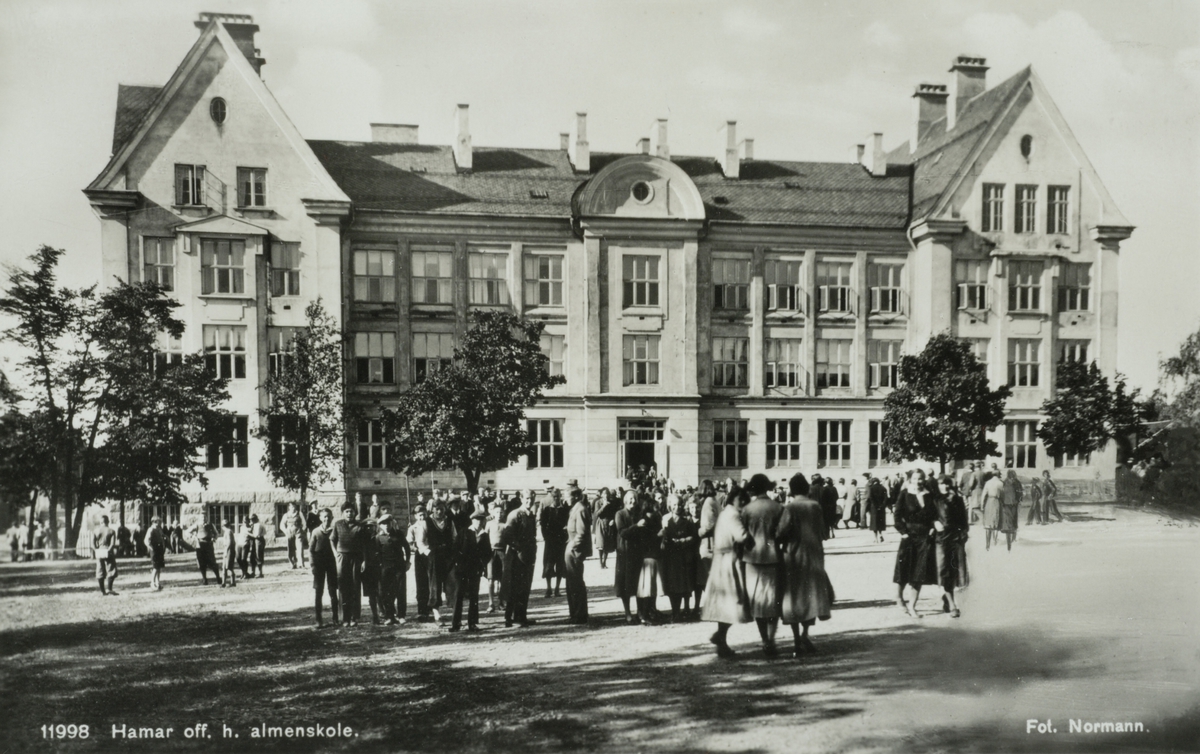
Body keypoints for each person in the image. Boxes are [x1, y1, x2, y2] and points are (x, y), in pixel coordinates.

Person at [776, 473, 835, 655]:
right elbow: (822, 530)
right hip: (814, 555)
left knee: (793, 597)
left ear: (792, 489)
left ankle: (796, 641)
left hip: (794, 557)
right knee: (811, 595)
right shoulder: (815, 506)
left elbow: (781, 532)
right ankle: (805, 634)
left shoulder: (790, 507)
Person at [702, 486, 753, 658]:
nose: (743, 502)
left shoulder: (725, 513)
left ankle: (721, 641)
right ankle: (720, 638)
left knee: (725, 604)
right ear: (732, 499)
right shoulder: (733, 515)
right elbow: (742, 536)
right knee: (733, 602)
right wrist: (752, 541)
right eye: (740, 499)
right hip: (728, 561)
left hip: (721, 559)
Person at [741, 473, 783, 657]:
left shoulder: (747, 509)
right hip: (772, 557)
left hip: (752, 559)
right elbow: (782, 533)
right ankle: (771, 639)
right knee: (772, 600)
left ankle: (764, 640)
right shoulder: (777, 507)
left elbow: (742, 534)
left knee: (757, 601)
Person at [893, 472, 937, 618]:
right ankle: (899, 598)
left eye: (920, 479)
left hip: (925, 537)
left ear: (924, 480)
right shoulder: (905, 494)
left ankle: (912, 606)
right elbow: (897, 516)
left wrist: (932, 527)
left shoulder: (928, 494)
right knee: (904, 570)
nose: (918, 481)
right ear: (910, 480)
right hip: (909, 536)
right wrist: (903, 531)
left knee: (920, 572)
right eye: (915, 479)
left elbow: (933, 514)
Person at [499, 490, 538, 628]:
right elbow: (507, 536)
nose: (530, 501)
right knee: (514, 588)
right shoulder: (515, 515)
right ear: (521, 498)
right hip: (516, 559)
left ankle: (521, 617)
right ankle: (509, 619)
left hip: (528, 557)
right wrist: (520, 548)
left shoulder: (531, 515)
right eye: (527, 498)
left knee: (525, 588)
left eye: (532, 498)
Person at [933, 476, 970, 618]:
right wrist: (934, 522)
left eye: (947, 484)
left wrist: (964, 533)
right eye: (942, 484)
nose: (945, 487)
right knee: (945, 571)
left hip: (956, 538)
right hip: (941, 539)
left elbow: (964, 520)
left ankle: (948, 598)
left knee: (958, 572)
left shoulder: (958, 500)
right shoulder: (934, 500)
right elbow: (928, 515)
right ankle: (953, 605)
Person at [659, 493, 697, 623]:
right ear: (670, 505)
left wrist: (682, 541)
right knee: (670, 585)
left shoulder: (687, 521)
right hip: (669, 557)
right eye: (674, 504)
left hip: (682, 557)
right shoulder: (666, 520)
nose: (677, 507)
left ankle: (677, 612)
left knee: (680, 585)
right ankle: (674, 610)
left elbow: (693, 537)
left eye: (679, 504)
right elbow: (663, 536)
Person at [451, 509, 488, 632]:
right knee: (458, 595)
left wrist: (482, 565)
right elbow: (455, 548)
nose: (479, 522)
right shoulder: (464, 532)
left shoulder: (484, 535)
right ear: (472, 520)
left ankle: (472, 623)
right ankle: (456, 623)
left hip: (475, 570)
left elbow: (487, 554)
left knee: (474, 596)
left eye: (481, 520)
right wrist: (458, 563)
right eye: (477, 520)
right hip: (461, 569)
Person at [373, 504, 409, 626]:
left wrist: (408, 561)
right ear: (380, 525)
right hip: (385, 568)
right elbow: (376, 553)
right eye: (383, 524)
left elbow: (407, 548)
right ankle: (389, 616)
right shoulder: (378, 538)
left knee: (400, 591)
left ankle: (401, 615)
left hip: (399, 566)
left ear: (391, 523)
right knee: (386, 592)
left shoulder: (398, 534)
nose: (386, 526)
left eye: (388, 523)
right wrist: (379, 567)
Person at [331, 503, 364, 626]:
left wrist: (363, 560)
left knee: (355, 586)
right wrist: (336, 554)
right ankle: (344, 618)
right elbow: (332, 540)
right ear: (343, 513)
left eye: (351, 511)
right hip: (342, 558)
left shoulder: (360, 526)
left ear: (355, 513)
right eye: (347, 511)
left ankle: (354, 618)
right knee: (343, 587)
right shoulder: (338, 524)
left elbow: (364, 544)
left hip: (356, 558)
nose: (349, 514)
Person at [613, 490, 643, 624]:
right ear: (625, 501)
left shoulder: (638, 514)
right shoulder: (620, 514)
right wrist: (637, 526)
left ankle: (640, 612)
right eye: (630, 499)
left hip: (637, 553)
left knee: (638, 583)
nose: (633, 501)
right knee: (625, 584)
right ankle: (628, 612)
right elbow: (623, 532)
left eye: (635, 499)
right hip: (625, 553)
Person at [426, 500, 458, 623]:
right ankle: (436, 614)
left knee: (453, 582)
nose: (439, 511)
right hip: (434, 557)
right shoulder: (427, 522)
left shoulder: (449, 521)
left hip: (448, 556)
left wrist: (454, 552)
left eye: (442, 509)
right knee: (435, 584)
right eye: (437, 509)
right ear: (432, 509)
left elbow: (455, 537)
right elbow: (421, 541)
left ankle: (455, 613)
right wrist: (428, 552)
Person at [564, 488, 592, 624]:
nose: (565, 498)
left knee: (575, 583)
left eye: (567, 495)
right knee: (571, 583)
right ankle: (575, 613)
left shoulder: (580, 509)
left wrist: (572, 547)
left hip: (575, 551)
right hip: (572, 548)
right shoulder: (575, 508)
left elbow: (581, 533)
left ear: (575, 497)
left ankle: (579, 614)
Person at [695, 480, 722, 615]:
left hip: (709, 545)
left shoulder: (708, 503)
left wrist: (699, 531)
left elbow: (709, 524)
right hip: (715, 543)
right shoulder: (714, 501)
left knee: (708, 578)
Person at [309, 508, 339, 628]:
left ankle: (335, 618)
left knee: (333, 591)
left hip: (332, 564)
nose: (326, 519)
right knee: (318, 592)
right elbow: (311, 550)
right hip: (319, 565)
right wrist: (312, 565)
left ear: (332, 518)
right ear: (320, 518)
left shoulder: (335, 531)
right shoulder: (316, 532)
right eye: (324, 517)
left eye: (328, 517)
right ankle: (318, 620)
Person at [636, 491, 664, 624]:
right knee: (646, 588)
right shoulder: (645, 522)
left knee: (652, 587)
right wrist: (659, 535)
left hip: (654, 556)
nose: (657, 510)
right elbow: (644, 541)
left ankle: (651, 611)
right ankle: (645, 614)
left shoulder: (654, 519)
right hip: (647, 558)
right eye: (655, 508)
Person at [539, 489, 568, 598]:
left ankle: (557, 588)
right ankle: (548, 588)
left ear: (560, 497)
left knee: (560, 564)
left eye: (558, 497)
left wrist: (565, 536)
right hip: (550, 541)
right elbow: (543, 525)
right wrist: (546, 537)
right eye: (554, 497)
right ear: (551, 497)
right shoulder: (547, 510)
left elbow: (567, 524)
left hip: (561, 542)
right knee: (548, 564)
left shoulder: (564, 510)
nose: (556, 499)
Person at [408, 504, 431, 620]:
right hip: (420, 556)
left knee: (431, 581)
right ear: (416, 516)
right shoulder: (412, 528)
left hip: (430, 554)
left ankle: (430, 607)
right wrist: (416, 548)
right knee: (421, 582)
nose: (422, 517)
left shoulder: (431, 525)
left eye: (424, 515)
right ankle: (422, 610)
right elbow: (409, 544)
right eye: (420, 515)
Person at [485, 499, 506, 613]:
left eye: (501, 512)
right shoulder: (489, 524)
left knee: (503, 578)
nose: (499, 514)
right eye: (497, 512)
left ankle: (502, 602)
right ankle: (491, 603)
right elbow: (484, 538)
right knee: (490, 579)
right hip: (491, 553)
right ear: (492, 513)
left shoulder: (505, 525)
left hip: (502, 552)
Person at [190, 513, 222, 585]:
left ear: (207, 518)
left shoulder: (211, 525)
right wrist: (194, 537)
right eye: (202, 518)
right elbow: (187, 532)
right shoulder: (197, 525)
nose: (203, 519)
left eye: (204, 518)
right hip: (200, 546)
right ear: (199, 519)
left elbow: (216, 533)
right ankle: (204, 579)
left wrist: (214, 538)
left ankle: (218, 578)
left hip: (209, 546)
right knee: (201, 563)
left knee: (212, 563)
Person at [93, 515, 119, 596]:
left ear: (101, 522)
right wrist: (108, 550)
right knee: (111, 569)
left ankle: (103, 591)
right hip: (108, 550)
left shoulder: (96, 530)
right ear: (108, 522)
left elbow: (92, 544)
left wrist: (96, 550)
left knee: (100, 570)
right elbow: (112, 544)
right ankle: (109, 588)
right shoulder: (111, 531)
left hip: (99, 551)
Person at [980, 469, 1004, 551]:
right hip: (997, 502)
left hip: (989, 502)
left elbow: (983, 495)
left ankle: (987, 544)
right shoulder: (1000, 483)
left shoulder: (988, 483)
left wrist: (982, 505)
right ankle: (995, 540)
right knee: (996, 521)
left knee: (988, 523)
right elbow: (1003, 495)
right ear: (998, 475)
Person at [1000, 470, 1022, 551]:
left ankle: (1010, 539)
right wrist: (1018, 500)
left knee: (1008, 520)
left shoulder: (1005, 482)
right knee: (1013, 519)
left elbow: (1001, 493)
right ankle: (1012, 538)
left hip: (1007, 503)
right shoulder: (1016, 482)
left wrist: (1002, 502)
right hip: (1012, 504)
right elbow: (1020, 493)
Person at [144, 516, 166, 591]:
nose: (160, 522)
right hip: (154, 549)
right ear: (155, 522)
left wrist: (163, 546)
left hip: (159, 549)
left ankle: (158, 583)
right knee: (155, 567)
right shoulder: (151, 529)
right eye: (159, 521)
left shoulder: (159, 529)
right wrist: (151, 548)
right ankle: (152, 583)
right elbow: (146, 540)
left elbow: (162, 538)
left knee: (159, 567)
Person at [282, 502, 306, 570]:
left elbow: (304, 523)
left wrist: (302, 530)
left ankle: (301, 564)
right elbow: (282, 525)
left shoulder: (299, 513)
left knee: (300, 547)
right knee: (290, 548)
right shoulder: (286, 515)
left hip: (298, 532)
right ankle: (292, 563)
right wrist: (285, 531)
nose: (293, 508)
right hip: (289, 532)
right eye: (292, 507)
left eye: (294, 506)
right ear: (289, 507)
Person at [219, 520, 238, 587]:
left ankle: (233, 582)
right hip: (227, 549)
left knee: (229, 567)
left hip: (229, 550)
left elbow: (229, 542)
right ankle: (223, 583)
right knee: (224, 567)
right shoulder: (228, 531)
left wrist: (226, 551)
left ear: (222, 526)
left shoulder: (228, 531)